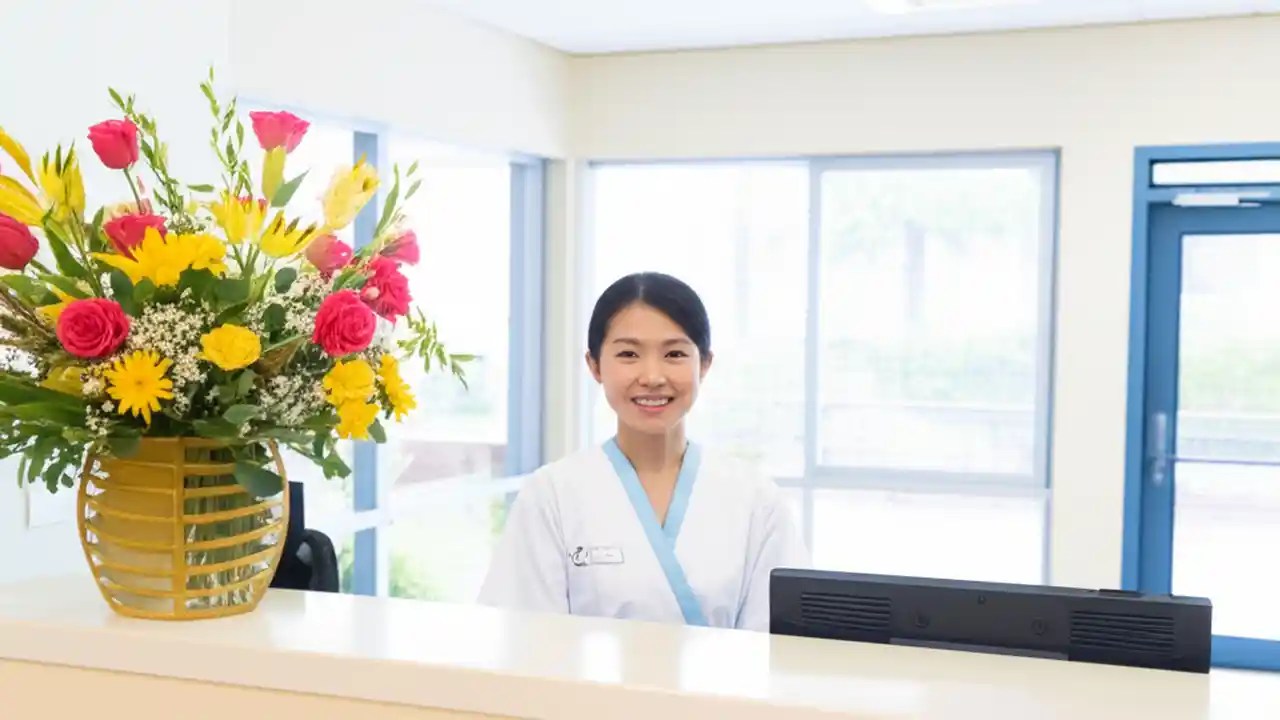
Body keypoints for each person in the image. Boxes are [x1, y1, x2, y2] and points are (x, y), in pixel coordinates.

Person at [477, 272, 808, 631]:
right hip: (583, 690)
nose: (652, 376)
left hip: (721, 690)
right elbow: (522, 639)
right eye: (629, 354)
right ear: (594, 365)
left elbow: (781, 646)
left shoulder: (755, 499)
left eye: (675, 354)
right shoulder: (552, 495)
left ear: (705, 365)